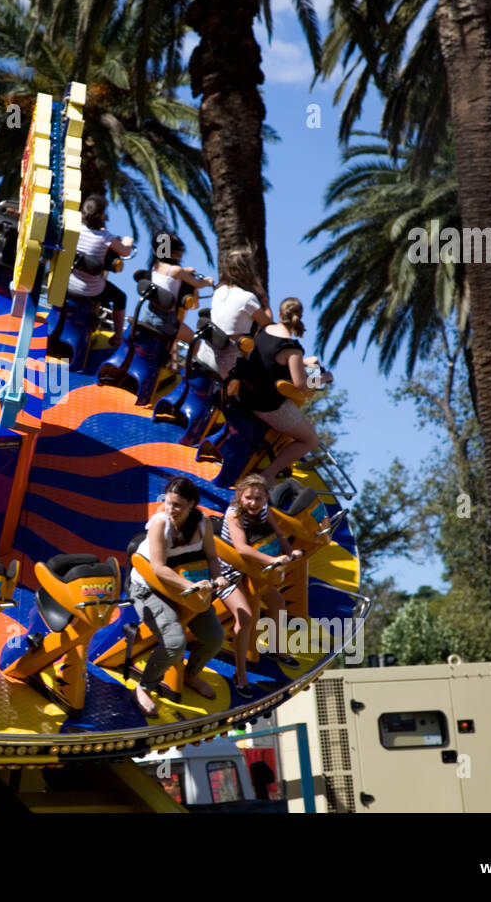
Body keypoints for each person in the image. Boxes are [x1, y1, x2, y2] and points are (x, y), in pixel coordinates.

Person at [130, 475, 229, 717]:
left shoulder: (202, 523)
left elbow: (211, 557)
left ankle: (190, 674)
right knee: (174, 643)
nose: (171, 509)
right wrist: (191, 586)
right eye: (169, 503)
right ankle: (145, 685)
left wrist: (217, 578)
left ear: (192, 504)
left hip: (185, 588)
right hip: (151, 587)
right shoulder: (159, 524)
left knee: (214, 637)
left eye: (178, 505)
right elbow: (158, 568)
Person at [219, 473, 304, 698]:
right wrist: (273, 561)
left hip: (254, 568)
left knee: (278, 602)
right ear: (240, 496)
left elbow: (279, 534)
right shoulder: (234, 514)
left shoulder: (264, 511)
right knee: (245, 618)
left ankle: (276, 647)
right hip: (231, 571)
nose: (253, 503)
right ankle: (241, 672)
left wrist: (288, 552)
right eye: (248, 498)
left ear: (266, 497)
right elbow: (241, 548)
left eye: (258, 498)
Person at [238, 297, 332, 485]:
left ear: (280, 314)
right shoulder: (292, 348)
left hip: (245, 394)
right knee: (310, 440)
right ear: (299, 317)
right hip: (266, 405)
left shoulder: (265, 330)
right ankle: (268, 474)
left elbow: (271, 358)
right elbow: (302, 386)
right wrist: (325, 377)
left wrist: (306, 361)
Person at [195, 243, 272, 379]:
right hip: (227, 365)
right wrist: (264, 299)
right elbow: (268, 325)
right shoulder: (248, 299)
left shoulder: (219, 292)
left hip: (205, 355)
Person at [65, 194, 133, 346]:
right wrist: (128, 242)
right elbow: (125, 252)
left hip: (67, 284)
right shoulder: (105, 237)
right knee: (120, 297)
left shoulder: (75, 229)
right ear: (102, 215)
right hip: (92, 291)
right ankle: (117, 336)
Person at [137, 231, 213, 345]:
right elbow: (198, 284)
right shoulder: (177, 270)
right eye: (178, 248)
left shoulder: (156, 266)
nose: (181, 250)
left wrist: (186, 271)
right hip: (166, 321)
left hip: (149, 314)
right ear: (172, 251)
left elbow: (171, 275)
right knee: (196, 343)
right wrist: (208, 282)